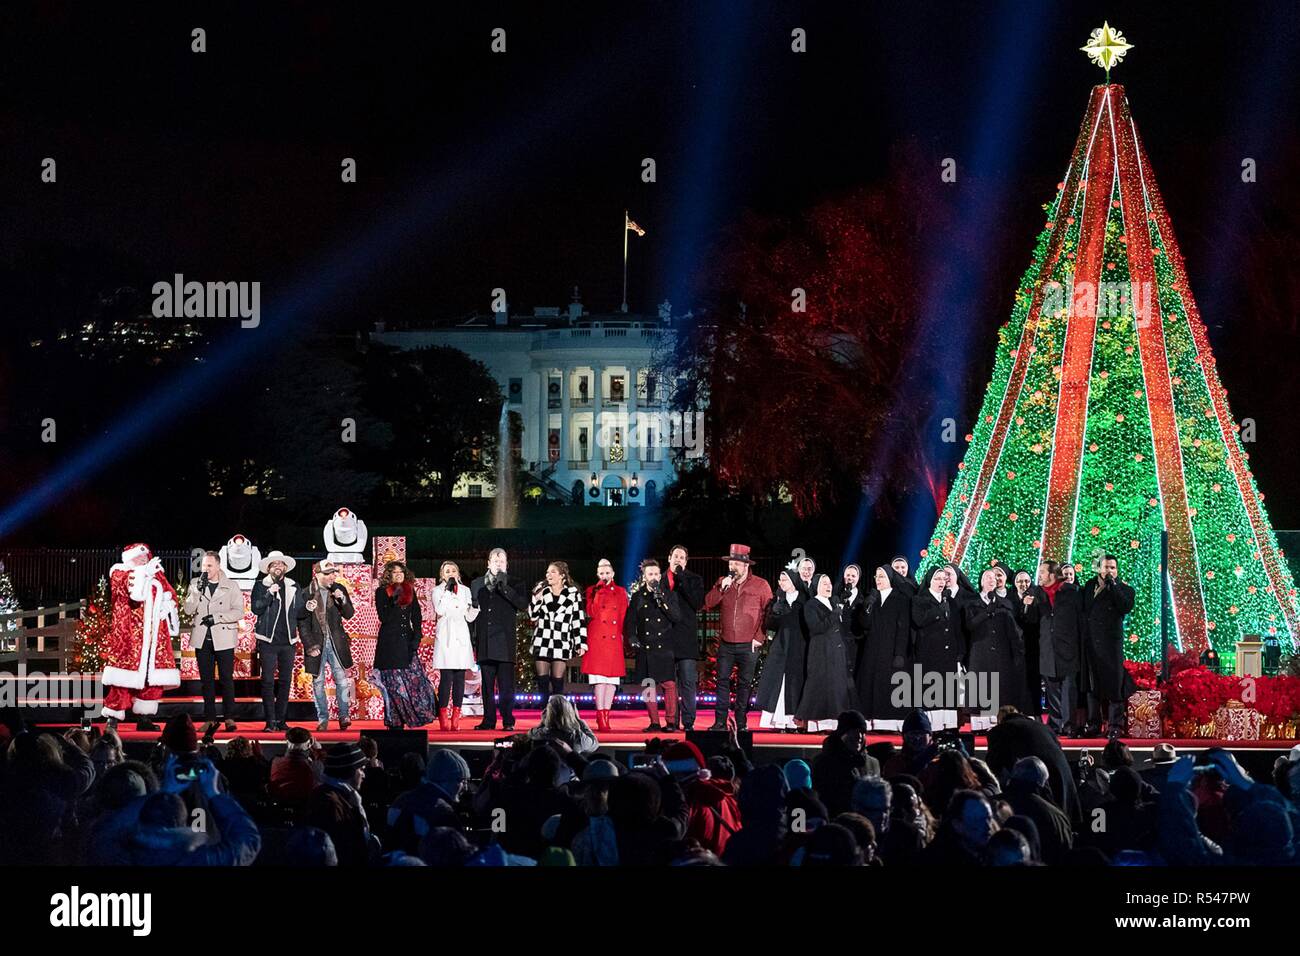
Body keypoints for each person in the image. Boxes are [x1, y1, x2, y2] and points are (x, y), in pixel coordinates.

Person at [100, 543, 181, 731]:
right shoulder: (120, 573)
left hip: (154, 638)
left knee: (151, 680)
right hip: (129, 637)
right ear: (129, 558)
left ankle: (144, 718)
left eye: (146, 557)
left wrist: (167, 605)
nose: (144, 560)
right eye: (139, 557)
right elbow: (134, 593)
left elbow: (171, 594)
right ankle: (113, 717)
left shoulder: (156, 574)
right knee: (122, 679)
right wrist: (145, 572)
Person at [703, 544, 774, 730]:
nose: (732, 567)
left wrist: (759, 636)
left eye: (736, 563)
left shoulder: (761, 585)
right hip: (726, 643)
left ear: (746, 565)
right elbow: (708, 603)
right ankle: (720, 721)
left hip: (749, 644)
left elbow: (769, 612)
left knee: (744, 683)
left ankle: (741, 721)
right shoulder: (723, 582)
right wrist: (720, 588)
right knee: (722, 682)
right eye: (731, 563)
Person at [183, 550, 244, 734]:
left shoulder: (231, 585)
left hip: (224, 638)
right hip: (203, 639)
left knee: (226, 679)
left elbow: (239, 611)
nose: (206, 569)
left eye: (209, 565)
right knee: (206, 681)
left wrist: (217, 617)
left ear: (218, 566)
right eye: (203, 566)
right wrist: (196, 591)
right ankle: (209, 719)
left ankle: (229, 718)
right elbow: (187, 609)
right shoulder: (195, 584)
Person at [1022, 559, 1085, 735]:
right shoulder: (1036, 592)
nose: (1039, 575)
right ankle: (1055, 724)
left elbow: (1080, 620)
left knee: (1068, 689)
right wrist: (1027, 606)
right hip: (1047, 648)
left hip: (1068, 648)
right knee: (1052, 689)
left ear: (1052, 574)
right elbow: (1031, 620)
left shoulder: (1071, 592)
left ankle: (1068, 724)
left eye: (1042, 572)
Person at [374, 560, 436, 730]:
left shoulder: (410, 591)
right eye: (395, 572)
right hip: (389, 644)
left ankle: (415, 715)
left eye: (401, 572)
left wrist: (417, 637)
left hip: (406, 643)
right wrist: (393, 599)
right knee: (393, 685)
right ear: (389, 575)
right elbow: (384, 617)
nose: (399, 574)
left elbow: (416, 616)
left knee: (412, 682)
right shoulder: (381, 592)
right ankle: (395, 721)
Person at [470, 548, 527, 731]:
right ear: (488, 563)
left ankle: (508, 720)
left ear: (507, 564)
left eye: (502, 561)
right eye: (495, 561)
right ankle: (488, 720)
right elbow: (473, 611)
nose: (498, 563)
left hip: (505, 641)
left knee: (506, 685)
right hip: (485, 640)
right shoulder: (477, 584)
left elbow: (522, 605)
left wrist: (504, 587)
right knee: (487, 685)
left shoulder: (516, 583)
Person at [297, 560, 357, 732]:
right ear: (318, 575)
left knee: (342, 681)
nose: (332, 576)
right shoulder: (306, 594)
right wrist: (309, 645)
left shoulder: (338, 589)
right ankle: (323, 718)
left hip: (336, 642)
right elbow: (302, 624)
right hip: (317, 643)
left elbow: (349, 614)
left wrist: (342, 599)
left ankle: (344, 715)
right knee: (318, 682)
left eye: (334, 573)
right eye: (328, 573)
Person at [624, 559, 682, 731]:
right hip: (646, 647)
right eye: (650, 574)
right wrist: (632, 637)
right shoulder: (638, 596)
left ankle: (671, 722)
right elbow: (630, 620)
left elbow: (676, 617)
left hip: (664, 646)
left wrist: (661, 599)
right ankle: (654, 722)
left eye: (657, 574)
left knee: (669, 685)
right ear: (644, 576)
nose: (654, 577)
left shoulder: (669, 594)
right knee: (648, 685)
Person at [1081, 554, 1136, 737]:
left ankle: (1115, 726)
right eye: (1106, 567)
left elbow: (1125, 607)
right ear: (1099, 569)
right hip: (1091, 643)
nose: (1109, 571)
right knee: (1092, 686)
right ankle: (1093, 724)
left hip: (1111, 645)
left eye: (1113, 567)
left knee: (1114, 685)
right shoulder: (1089, 586)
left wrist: (1113, 587)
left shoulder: (1125, 589)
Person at [963, 568, 1026, 722]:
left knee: (1000, 689)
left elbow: (1013, 631)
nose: (992, 580)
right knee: (981, 687)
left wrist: (1017, 653)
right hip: (980, 652)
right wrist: (986, 612)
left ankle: (999, 720)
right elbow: (969, 625)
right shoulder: (971, 603)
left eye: (994, 578)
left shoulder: (1005, 603)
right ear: (981, 581)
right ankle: (980, 723)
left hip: (1001, 653)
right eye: (988, 577)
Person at [795, 574, 856, 728]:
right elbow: (817, 628)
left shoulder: (833, 602)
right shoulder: (811, 605)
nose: (828, 586)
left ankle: (835, 722)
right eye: (824, 583)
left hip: (836, 651)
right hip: (820, 651)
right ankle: (816, 722)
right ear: (816, 586)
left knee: (836, 685)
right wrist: (836, 613)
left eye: (829, 583)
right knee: (819, 684)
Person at [251, 549, 300, 732]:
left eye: (281, 564)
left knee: (286, 681)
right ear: (269, 568)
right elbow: (256, 609)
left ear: (285, 567)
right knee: (268, 681)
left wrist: (308, 607)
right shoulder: (260, 585)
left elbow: (300, 612)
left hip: (288, 641)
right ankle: (270, 721)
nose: (278, 567)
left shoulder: (293, 585)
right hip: (267, 641)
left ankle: (281, 720)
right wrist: (269, 594)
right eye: (274, 564)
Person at [528, 561, 588, 713]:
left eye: (553, 572)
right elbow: (533, 616)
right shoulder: (543, 591)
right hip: (542, 640)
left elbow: (578, 619)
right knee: (542, 680)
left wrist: (581, 642)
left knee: (557, 681)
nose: (549, 575)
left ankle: (558, 714)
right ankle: (544, 713)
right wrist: (537, 598)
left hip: (561, 641)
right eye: (547, 572)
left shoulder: (573, 593)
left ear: (562, 576)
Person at [857, 565, 912, 729]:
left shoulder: (900, 599)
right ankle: (872, 722)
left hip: (891, 650)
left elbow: (903, 628)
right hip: (872, 650)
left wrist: (900, 653)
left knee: (890, 687)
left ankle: (891, 724)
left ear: (890, 579)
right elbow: (863, 624)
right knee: (870, 686)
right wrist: (867, 607)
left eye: (881, 576)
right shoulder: (872, 598)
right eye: (876, 576)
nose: (878, 579)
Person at [756, 569, 807, 732]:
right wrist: (777, 607)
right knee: (778, 681)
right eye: (779, 579)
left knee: (795, 682)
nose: (781, 582)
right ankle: (778, 721)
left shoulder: (804, 600)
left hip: (798, 646)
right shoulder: (778, 600)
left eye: (784, 579)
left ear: (792, 581)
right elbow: (770, 624)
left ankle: (794, 722)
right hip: (780, 645)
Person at [432, 561, 479, 732]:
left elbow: (469, 617)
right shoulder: (437, 591)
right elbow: (439, 610)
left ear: (458, 573)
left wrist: (475, 607)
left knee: (460, 677)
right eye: (447, 571)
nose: (450, 573)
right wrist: (447, 592)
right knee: (446, 678)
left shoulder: (466, 590)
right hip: (446, 635)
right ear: (442, 575)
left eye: (453, 570)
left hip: (461, 635)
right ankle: (443, 714)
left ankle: (456, 716)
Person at [911, 567, 961, 728]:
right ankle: (932, 726)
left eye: (943, 579)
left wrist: (960, 651)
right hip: (929, 653)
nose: (941, 582)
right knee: (931, 691)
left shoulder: (950, 601)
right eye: (937, 579)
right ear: (929, 581)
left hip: (949, 655)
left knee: (948, 692)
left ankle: (948, 727)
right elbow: (919, 621)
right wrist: (939, 610)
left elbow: (956, 628)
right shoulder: (919, 600)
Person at [582, 558, 628, 732]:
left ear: (613, 573)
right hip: (597, 639)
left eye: (607, 572)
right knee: (600, 681)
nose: (605, 575)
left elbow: (623, 615)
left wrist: (622, 636)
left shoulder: (621, 592)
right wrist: (599, 592)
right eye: (601, 573)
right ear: (597, 574)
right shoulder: (591, 590)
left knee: (612, 681)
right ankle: (600, 715)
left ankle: (606, 714)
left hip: (614, 639)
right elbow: (591, 612)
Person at [665, 545, 706, 731]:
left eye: (682, 557)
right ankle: (671, 721)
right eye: (676, 556)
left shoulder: (694, 579)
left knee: (688, 682)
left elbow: (697, 603)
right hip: (665, 639)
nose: (678, 559)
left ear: (686, 561)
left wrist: (682, 579)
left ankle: (688, 721)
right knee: (669, 683)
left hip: (686, 638)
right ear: (669, 558)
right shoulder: (659, 579)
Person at [811, 711, 879, 818]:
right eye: (854, 731)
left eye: (862, 732)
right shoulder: (824, 763)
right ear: (842, 734)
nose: (859, 736)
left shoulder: (872, 763)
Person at [527, 693, 599, 754]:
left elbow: (531, 734)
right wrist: (578, 719)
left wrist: (543, 722)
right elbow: (594, 744)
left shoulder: (539, 734)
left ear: (547, 713)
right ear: (570, 713)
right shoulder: (577, 737)